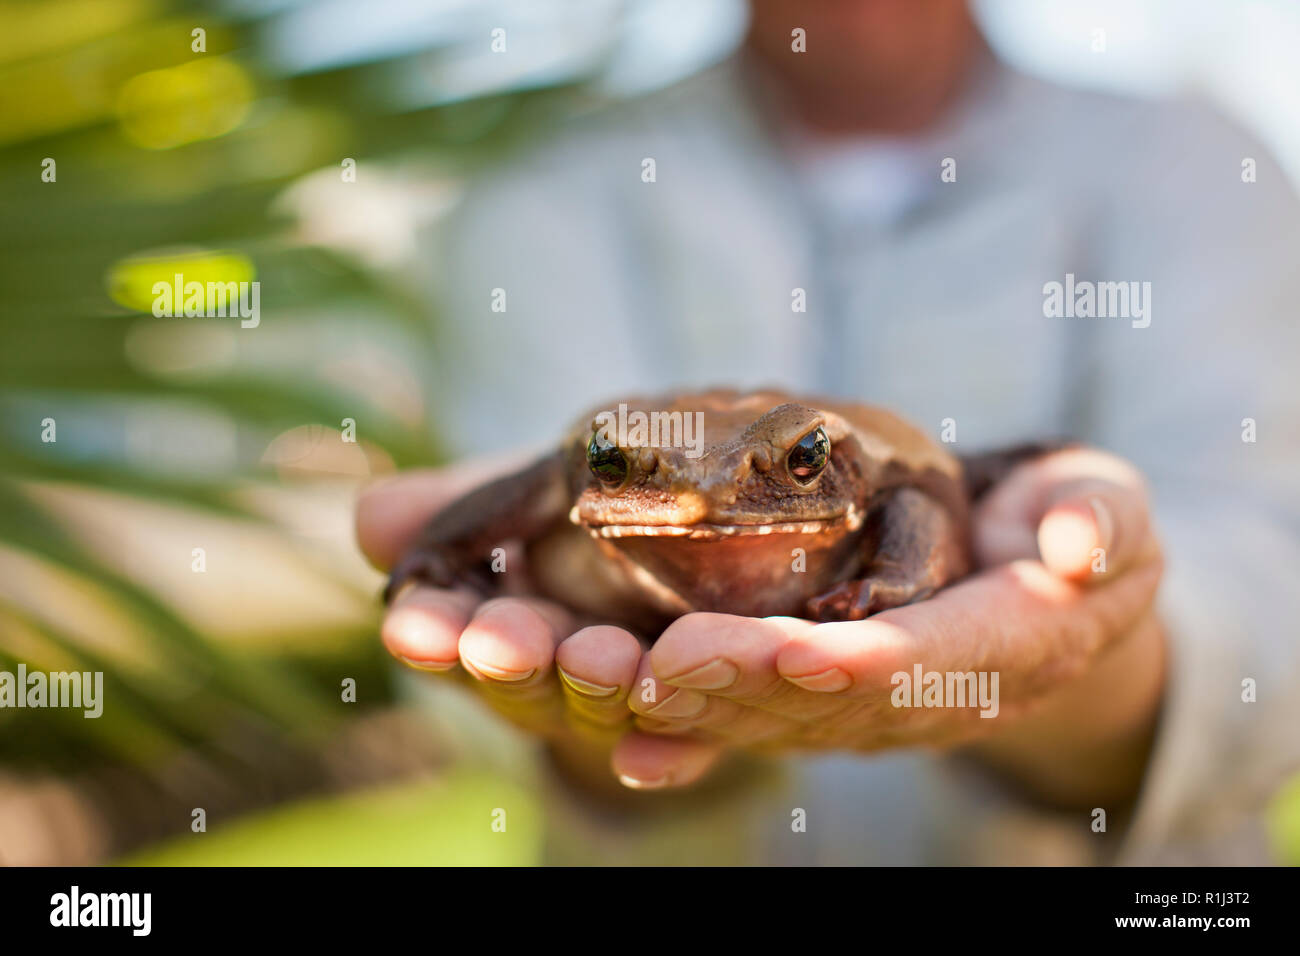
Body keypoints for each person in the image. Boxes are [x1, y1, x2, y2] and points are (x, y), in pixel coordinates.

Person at [356, 0, 1300, 864]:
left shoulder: (1188, 159)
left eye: (792, 462)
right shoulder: (545, 187)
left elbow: (1265, 577)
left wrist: (1057, 649)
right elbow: (524, 538)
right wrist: (457, 558)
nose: (703, 498)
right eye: (623, 465)